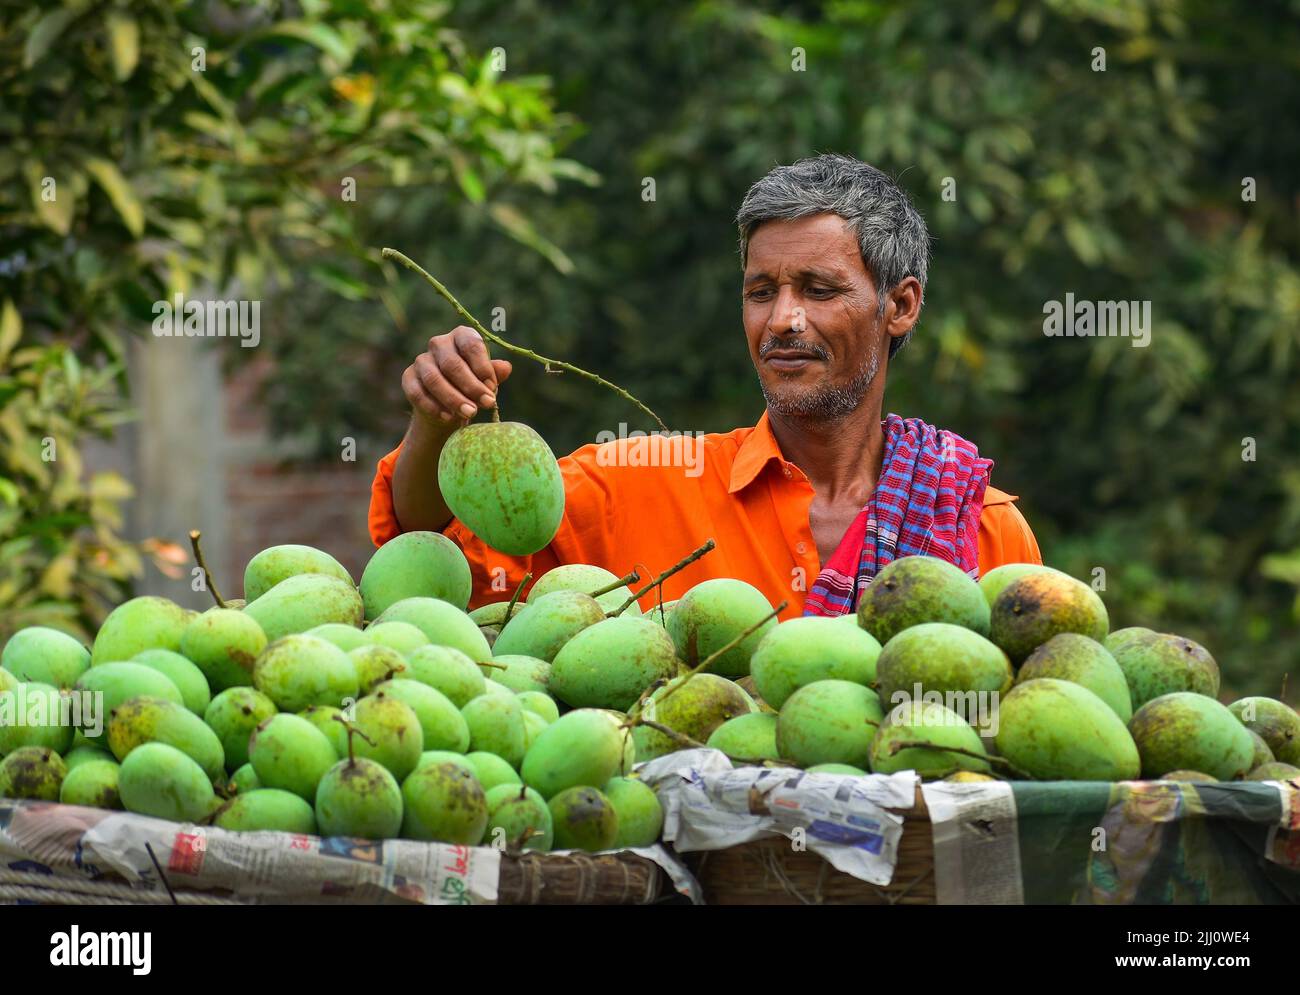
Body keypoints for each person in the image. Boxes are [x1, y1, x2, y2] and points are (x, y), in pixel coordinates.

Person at [369, 153, 1041, 617]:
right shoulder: (633, 484)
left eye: (818, 289)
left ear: (899, 305)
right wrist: (437, 422)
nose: (781, 320)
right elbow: (432, 556)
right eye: (759, 292)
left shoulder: (982, 527)